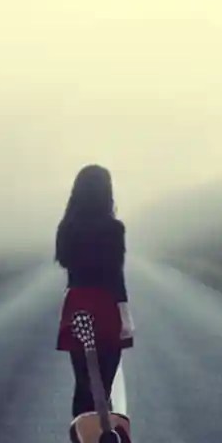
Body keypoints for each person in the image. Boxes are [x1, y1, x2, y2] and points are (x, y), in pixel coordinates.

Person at [54, 164, 135, 418]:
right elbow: (115, 275)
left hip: (77, 305)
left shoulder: (66, 228)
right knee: (104, 386)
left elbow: (67, 266)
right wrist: (125, 315)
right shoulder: (114, 229)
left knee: (84, 385)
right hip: (106, 306)